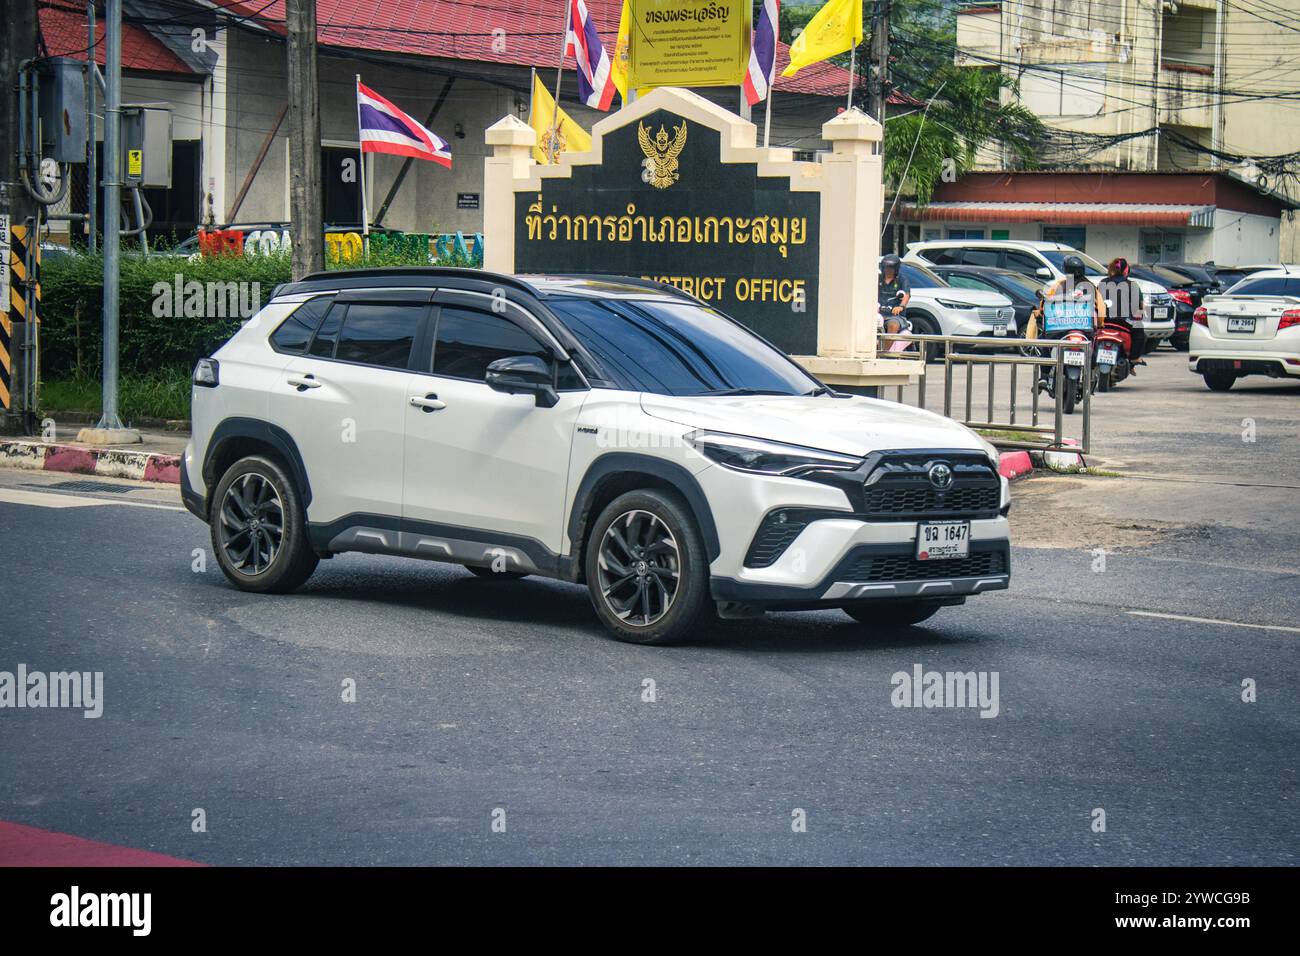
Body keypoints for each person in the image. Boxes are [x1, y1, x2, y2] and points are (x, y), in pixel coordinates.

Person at [1035, 255, 1106, 390]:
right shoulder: (1091, 287)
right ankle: (1091, 376)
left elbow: (1046, 305)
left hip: (1060, 329)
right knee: (1094, 346)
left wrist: (1041, 312)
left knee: (1043, 344)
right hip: (1085, 330)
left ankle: (1044, 376)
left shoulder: (1059, 285)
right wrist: (1100, 324)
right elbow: (1101, 309)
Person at [1097, 256, 1146, 373]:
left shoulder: (1103, 283)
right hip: (1124, 323)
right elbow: (1140, 308)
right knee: (1140, 335)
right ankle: (1134, 359)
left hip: (1104, 322)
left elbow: (1096, 302)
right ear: (1126, 271)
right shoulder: (1133, 285)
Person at [878, 254, 912, 341]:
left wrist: (901, 306)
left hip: (894, 316)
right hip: (879, 313)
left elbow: (906, 295)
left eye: (891, 267)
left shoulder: (902, 279)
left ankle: (885, 352)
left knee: (893, 325)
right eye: (886, 267)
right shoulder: (878, 278)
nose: (888, 269)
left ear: (896, 268)